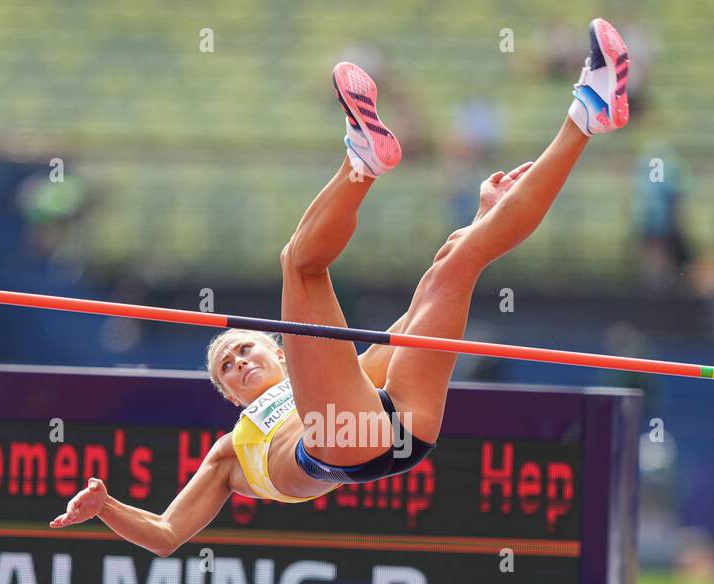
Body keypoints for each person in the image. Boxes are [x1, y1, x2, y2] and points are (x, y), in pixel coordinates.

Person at [49, 18, 631, 554]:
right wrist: (106, 508)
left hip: (387, 421)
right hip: (342, 443)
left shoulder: (340, 377)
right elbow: (167, 534)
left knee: (458, 259)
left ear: (281, 353)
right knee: (298, 266)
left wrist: (481, 219)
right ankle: (362, 162)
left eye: (244, 348)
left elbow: (412, 322)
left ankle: (588, 111)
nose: (239, 361)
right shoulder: (230, 451)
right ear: (229, 398)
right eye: (227, 367)